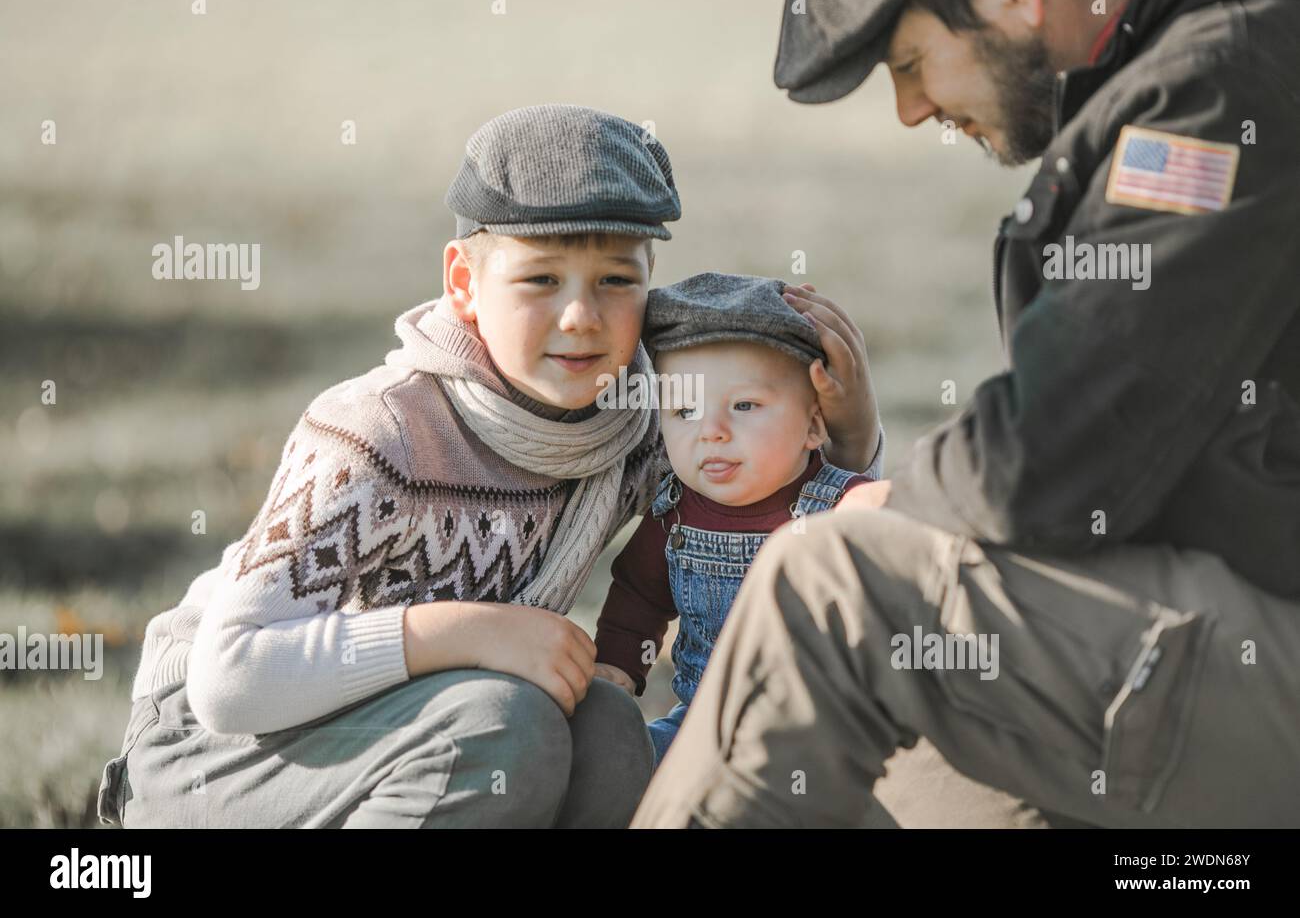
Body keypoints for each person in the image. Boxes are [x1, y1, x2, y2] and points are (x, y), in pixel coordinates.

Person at [632, 0, 1300, 828]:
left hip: (1265, 645)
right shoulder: (1195, 67)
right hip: (1231, 620)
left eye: (910, 64)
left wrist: (895, 502)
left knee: (829, 585)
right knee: (914, 774)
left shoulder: (1221, 87)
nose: (910, 111)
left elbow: (1051, 452)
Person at [94, 104, 881, 828]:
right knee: (506, 722)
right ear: (465, 285)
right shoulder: (379, 430)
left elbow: (756, 500)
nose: (582, 316)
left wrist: (847, 430)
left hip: (426, 724)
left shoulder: (636, 424)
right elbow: (229, 679)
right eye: (541, 279)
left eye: (617, 280)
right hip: (223, 753)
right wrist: (466, 632)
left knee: (606, 728)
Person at [592, 273, 883, 767]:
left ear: (814, 425)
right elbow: (638, 594)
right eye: (684, 410)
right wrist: (617, 664)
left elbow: (882, 527)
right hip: (706, 727)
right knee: (637, 765)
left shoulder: (834, 503)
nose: (713, 432)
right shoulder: (674, 515)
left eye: (744, 406)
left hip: (825, 732)